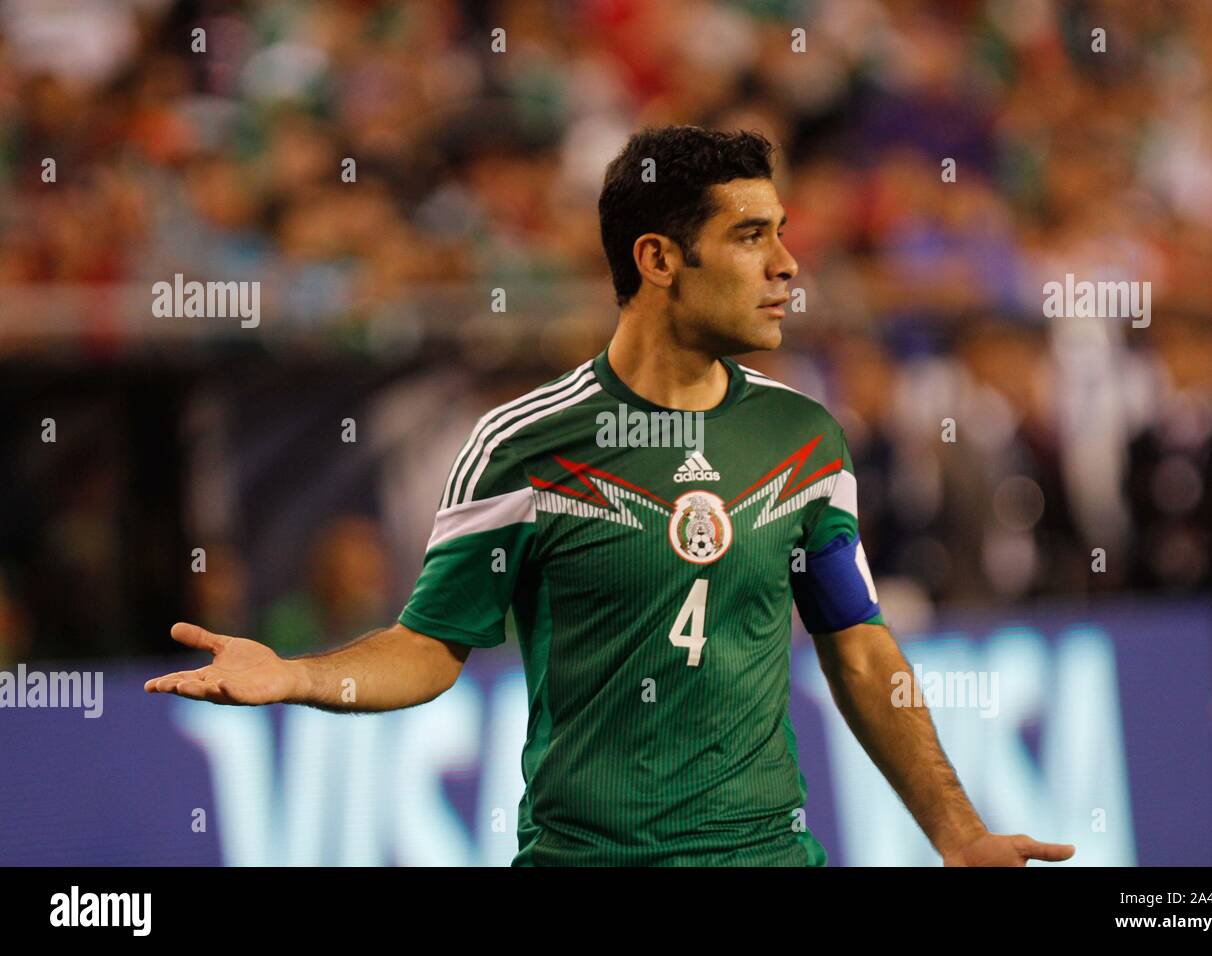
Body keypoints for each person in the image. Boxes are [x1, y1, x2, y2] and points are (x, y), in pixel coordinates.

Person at [146, 125, 1074, 868]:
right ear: (660, 260)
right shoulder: (525, 446)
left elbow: (859, 648)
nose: (788, 264)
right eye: (751, 237)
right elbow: (430, 650)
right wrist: (298, 676)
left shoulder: (803, 440)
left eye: (783, 231)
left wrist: (959, 834)